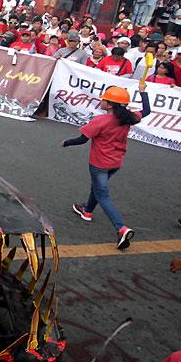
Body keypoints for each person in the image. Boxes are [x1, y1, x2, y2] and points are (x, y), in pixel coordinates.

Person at [67, 83, 150, 249]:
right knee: (98, 188)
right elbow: (146, 110)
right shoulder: (128, 118)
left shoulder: (101, 120)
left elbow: (82, 139)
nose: (101, 101)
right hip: (116, 162)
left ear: (110, 104)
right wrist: (143, 93)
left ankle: (121, 228)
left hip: (99, 163)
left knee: (103, 195)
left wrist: (66, 143)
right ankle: (87, 211)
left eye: (104, 99)